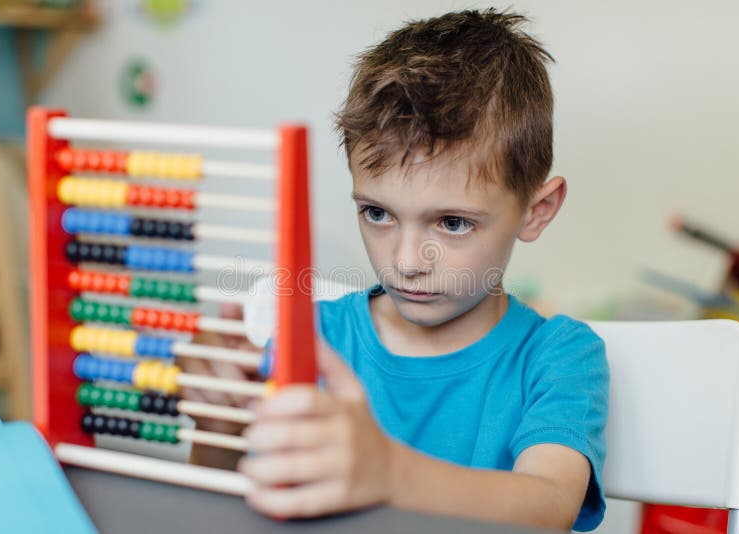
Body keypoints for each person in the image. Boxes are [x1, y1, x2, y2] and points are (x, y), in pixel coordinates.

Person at [188, 9, 609, 531]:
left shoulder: (558, 356)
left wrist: (390, 473)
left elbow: (548, 506)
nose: (407, 262)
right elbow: (221, 506)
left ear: (536, 210)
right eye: (378, 213)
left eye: (452, 222)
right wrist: (216, 428)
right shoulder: (314, 338)